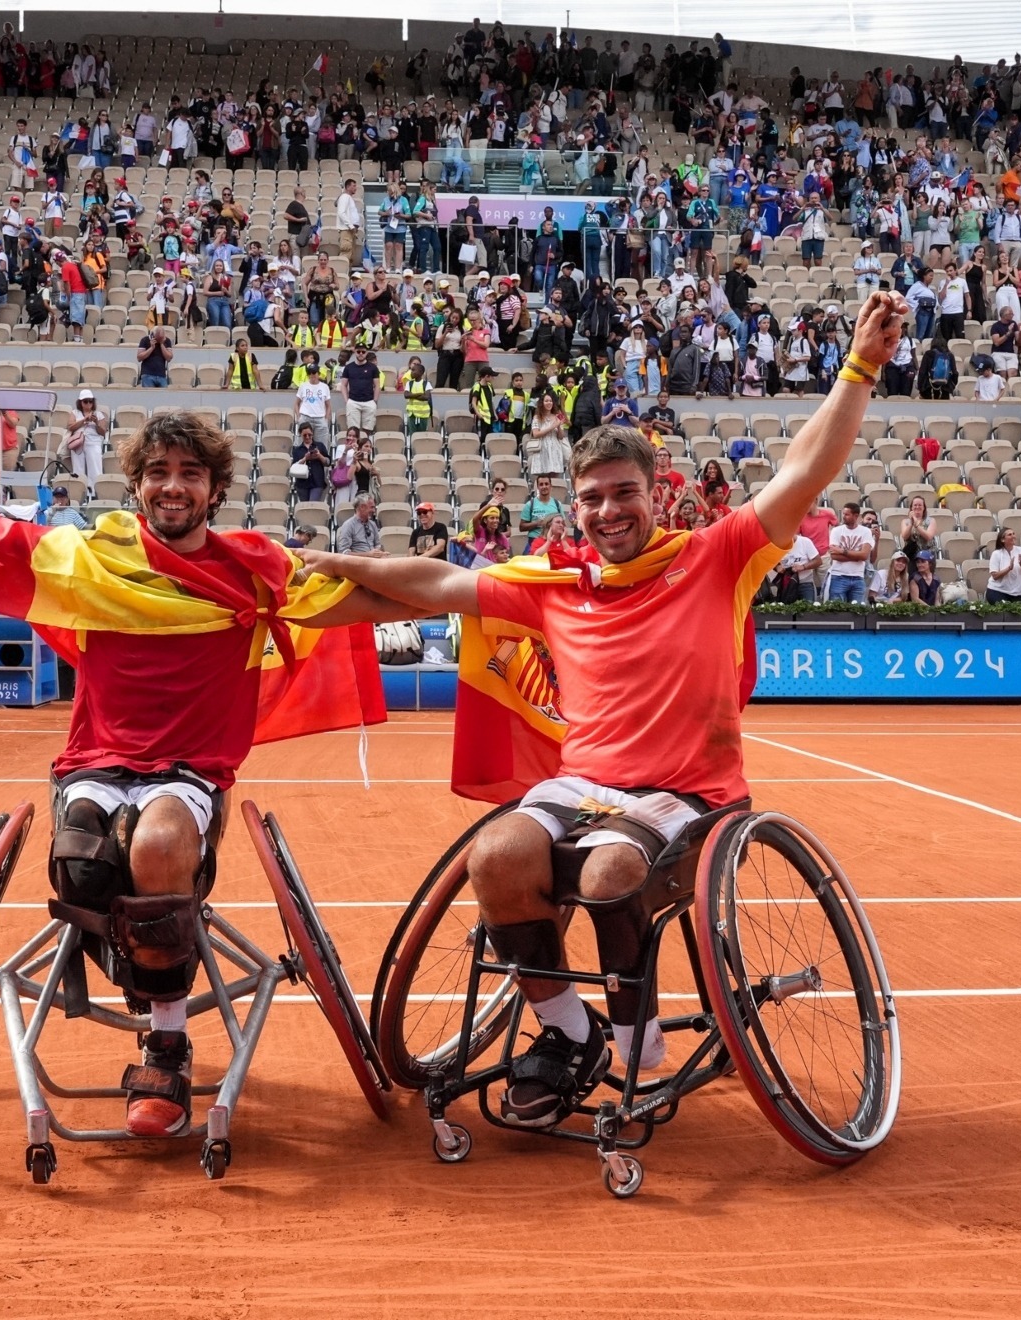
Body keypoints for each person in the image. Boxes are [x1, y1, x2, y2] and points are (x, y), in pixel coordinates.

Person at [300, 290, 911, 1127]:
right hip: (583, 785)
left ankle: (636, 1038)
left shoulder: (716, 556)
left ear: (655, 493)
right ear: (572, 505)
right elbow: (435, 585)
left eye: (623, 493)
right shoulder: (554, 586)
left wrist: (861, 366)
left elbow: (807, 468)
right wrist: (323, 564)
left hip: (691, 795)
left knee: (612, 872)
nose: (608, 511)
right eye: (591, 499)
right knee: (495, 857)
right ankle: (566, 1034)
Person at [0, 412, 396, 1139]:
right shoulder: (91, 559)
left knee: (155, 847)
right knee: (79, 862)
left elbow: (368, 598)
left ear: (214, 490)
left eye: (189, 474)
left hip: (187, 771)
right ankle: (143, 947)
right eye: (158, 473)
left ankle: (167, 1042)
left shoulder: (255, 570)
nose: (172, 487)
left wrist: (497, 599)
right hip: (97, 763)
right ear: (137, 484)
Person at [823, 502, 874, 603]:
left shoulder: (865, 531)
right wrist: (857, 556)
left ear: (856, 516)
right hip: (838, 575)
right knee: (837, 611)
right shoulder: (836, 531)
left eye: (847, 514)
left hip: (858, 577)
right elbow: (834, 556)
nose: (843, 516)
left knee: (857, 612)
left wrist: (842, 551)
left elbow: (864, 555)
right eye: (843, 514)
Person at [66, 389, 109, 483]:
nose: (88, 404)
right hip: (78, 442)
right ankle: (79, 490)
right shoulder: (75, 413)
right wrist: (84, 420)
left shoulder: (99, 414)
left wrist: (96, 422)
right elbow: (70, 427)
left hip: (93, 442)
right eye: (85, 401)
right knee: (78, 469)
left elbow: (102, 432)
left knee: (95, 468)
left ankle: (94, 492)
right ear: (80, 402)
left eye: (90, 401)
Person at [986, 528, 1021, 602]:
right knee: (1003, 612)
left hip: (1018, 592)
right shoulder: (996, 554)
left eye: (1013, 534)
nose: (1013, 536)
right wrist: (1009, 568)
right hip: (998, 591)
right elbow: (995, 576)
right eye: (1009, 535)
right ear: (1002, 540)